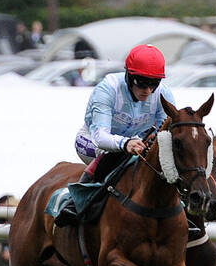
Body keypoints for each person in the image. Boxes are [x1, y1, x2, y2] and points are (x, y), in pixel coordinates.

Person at [74, 45, 177, 183]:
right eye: (141, 83)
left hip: (135, 142)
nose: (147, 90)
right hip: (94, 141)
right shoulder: (107, 89)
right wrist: (125, 143)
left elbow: (165, 135)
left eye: (153, 84)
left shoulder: (163, 94)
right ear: (129, 76)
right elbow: (101, 137)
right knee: (114, 157)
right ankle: (74, 202)